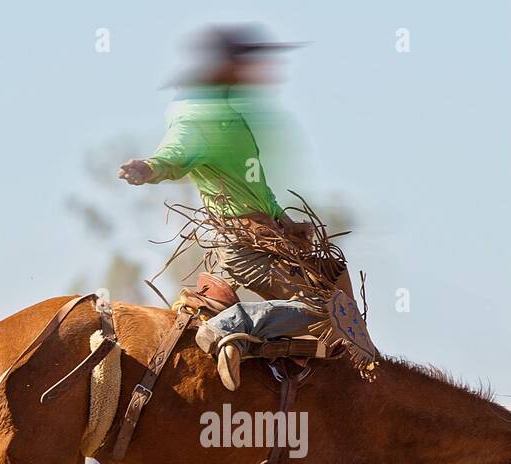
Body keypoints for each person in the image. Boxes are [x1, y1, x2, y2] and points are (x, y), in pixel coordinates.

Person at [118, 24, 354, 389]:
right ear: (227, 67)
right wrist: (150, 167)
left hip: (261, 239)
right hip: (245, 247)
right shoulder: (198, 116)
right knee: (327, 314)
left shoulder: (226, 114)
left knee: (332, 295)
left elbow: (255, 184)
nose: (258, 71)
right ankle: (232, 326)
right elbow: (175, 154)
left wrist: (283, 220)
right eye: (248, 62)